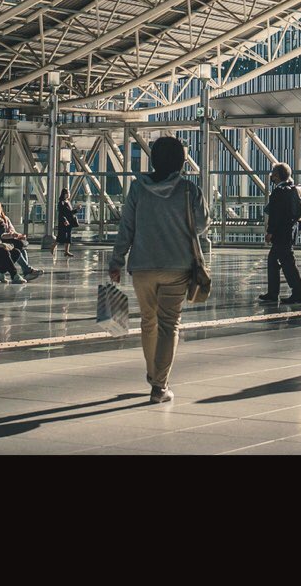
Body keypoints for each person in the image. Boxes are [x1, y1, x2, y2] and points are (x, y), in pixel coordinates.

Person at [107, 135, 211, 405]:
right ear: (181, 161)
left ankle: (153, 374)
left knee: (148, 322)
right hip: (177, 266)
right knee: (169, 324)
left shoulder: (138, 189)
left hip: (142, 266)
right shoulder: (189, 189)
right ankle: (159, 386)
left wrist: (116, 261)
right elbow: (201, 226)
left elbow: (126, 227)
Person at [257, 163, 301, 305]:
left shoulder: (279, 192)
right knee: (273, 261)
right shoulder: (294, 189)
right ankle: (273, 293)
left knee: (288, 264)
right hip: (291, 231)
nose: (271, 175)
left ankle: (297, 294)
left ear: (277, 175)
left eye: (273, 172)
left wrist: (270, 232)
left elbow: (275, 215)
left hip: (281, 234)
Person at [0, 199, 40, 283]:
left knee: (17, 251)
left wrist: (1, 228)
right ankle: (15, 274)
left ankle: (0, 272)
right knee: (6, 250)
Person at [55, 188, 78, 258]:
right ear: (64, 194)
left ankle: (66, 251)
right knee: (61, 236)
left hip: (69, 221)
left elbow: (70, 212)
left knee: (68, 236)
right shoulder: (61, 202)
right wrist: (65, 220)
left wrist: (77, 209)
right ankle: (53, 246)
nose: (68, 194)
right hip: (64, 221)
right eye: (67, 193)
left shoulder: (68, 202)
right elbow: (62, 213)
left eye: (68, 193)